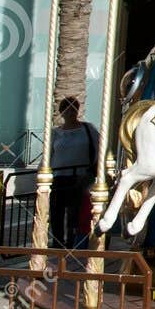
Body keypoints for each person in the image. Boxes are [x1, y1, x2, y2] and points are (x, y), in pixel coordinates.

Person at [49, 97, 101, 248]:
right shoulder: (56, 133)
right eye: (67, 110)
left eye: (73, 109)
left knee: (75, 211)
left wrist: (93, 169)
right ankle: (57, 240)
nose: (70, 113)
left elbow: (98, 150)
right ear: (61, 113)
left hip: (80, 176)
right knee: (56, 211)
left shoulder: (88, 129)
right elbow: (49, 154)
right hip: (59, 176)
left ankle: (73, 240)